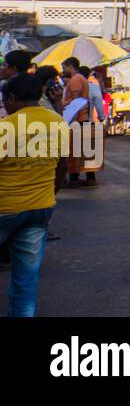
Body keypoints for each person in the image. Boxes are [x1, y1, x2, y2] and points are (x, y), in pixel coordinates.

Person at [0, 73, 69, 315]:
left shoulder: (6, 128)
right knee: (25, 282)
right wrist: (50, 193)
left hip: (5, 208)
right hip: (40, 209)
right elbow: (63, 165)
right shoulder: (58, 123)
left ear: (11, 98)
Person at [59, 59, 93, 187]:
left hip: (76, 119)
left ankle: (75, 178)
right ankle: (82, 177)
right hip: (78, 118)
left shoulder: (76, 80)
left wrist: (72, 120)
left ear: (70, 66)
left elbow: (76, 102)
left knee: (76, 150)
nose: (63, 70)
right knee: (79, 150)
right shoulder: (79, 79)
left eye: (64, 67)